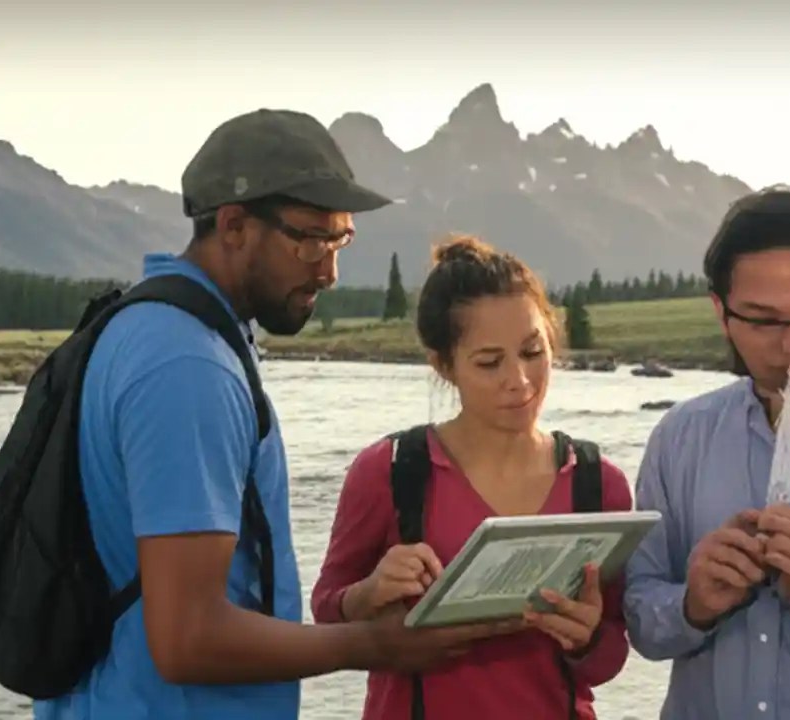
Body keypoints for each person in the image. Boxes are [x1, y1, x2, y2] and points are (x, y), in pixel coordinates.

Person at [32, 109, 491, 720]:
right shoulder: (187, 366)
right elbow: (187, 638)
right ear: (233, 225)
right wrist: (374, 644)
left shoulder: (157, 329)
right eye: (310, 240)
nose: (328, 269)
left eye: (340, 240)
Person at [310, 234, 633, 720]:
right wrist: (372, 590)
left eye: (532, 351)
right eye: (489, 362)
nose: (519, 380)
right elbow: (327, 612)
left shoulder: (598, 483)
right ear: (444, 365)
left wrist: (585, 638)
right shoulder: (390, 470)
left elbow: (610, 656)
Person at [622, 186, 790, 719]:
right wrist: (692, 606)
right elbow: (642, 624)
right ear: (721, 313)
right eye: (764, 320)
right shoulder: (680, 437)